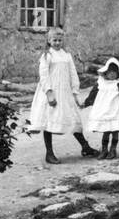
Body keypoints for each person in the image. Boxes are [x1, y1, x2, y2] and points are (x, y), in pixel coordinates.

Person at [27, 27, 99, 164]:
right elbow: (44, 75)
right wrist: (49, 93)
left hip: (65, 92)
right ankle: (49, 153)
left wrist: (75, 91)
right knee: (49, 121)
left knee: (73, 118)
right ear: (49, 41)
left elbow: (73, 73)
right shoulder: (47, 56)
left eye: (60, 40)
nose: (57, 43)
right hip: (52, 92)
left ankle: (85, 147)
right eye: (54, 40)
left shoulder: (66, 55)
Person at [81, 57, 119, 160]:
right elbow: (93, 94)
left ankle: (113, 149)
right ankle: (104, 149)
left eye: (115, 72)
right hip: (104, 110)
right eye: (110, 72)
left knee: (114, 130)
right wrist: (86, 103)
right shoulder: (100, 83)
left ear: (118, 73)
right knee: (106, 130)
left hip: (115, 110)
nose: (112, 74)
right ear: (105, 72)